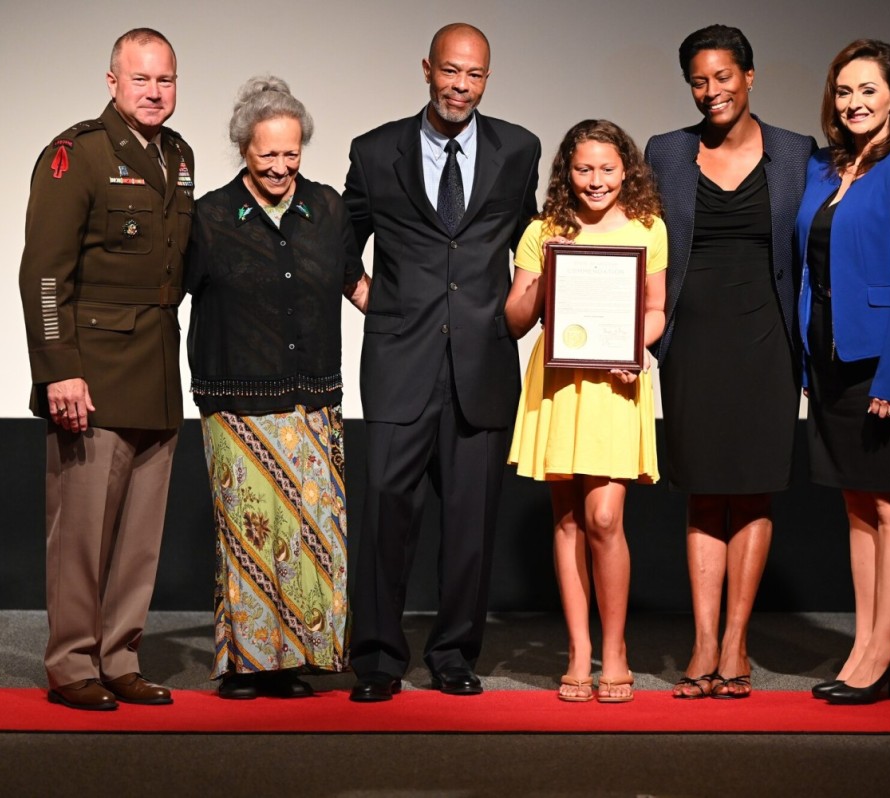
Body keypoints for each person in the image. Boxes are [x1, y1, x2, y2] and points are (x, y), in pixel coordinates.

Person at [342, 22, 541, 702]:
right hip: (400, 363)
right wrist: (372, 300)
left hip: (482, 366)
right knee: (385, 517)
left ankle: (454, 654)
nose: (461, 86)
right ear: (428, 68)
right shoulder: (375, 151)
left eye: (474, 74)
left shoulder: (518, 149)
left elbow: (530, 243)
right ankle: (376, 659)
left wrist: (533, 307)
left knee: (470, 525)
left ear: (487, 78)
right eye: (451, 71)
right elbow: (341, 242)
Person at [18, 28, 194, 711]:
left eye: (165, 79)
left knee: (140, 540)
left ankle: (120, 658)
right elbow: (44, 274)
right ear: (113, 81)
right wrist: (58, 369)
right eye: (140, 78)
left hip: (156, 370)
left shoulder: (178, 156)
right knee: (81, 536)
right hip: (91, 376)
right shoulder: (77, 155)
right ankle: (72, 665)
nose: (154, 92)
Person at [644, 25, 816, 699]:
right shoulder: (667, 151)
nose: (711, 90)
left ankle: (737, 641)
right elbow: (638, 238)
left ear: (749, 76)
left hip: (768, 341)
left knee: (752, 490)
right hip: (692, 342)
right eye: (698, 80)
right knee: (704, 490)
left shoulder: (796, 152)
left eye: (723, 76)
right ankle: (704, 643)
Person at [184, 77, 369, 700]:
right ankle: (246, 664)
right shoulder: (211, 216)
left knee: (309, 537)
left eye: (292, 153)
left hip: (312, 399)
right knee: (252, 536)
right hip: (237, 402)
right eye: (268, 154)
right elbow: (170, 295)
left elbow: (356, 285)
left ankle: (293, 663)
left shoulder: (328, 209)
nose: (281, 167)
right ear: (244, 148)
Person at [796, 40, 890, 705]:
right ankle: (865, 645)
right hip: (829, 354)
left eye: (867, 90)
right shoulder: (824, 169)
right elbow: (810, 266)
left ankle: (882, 655)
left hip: (885, 358)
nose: (854, 102)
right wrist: (805, 355)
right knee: (856, 508)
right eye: (844, 90)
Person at [505, 120, 667, 703]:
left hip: (615, 385)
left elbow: (655, 309)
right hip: (559, 382)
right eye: (583, 169)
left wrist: (637, 348)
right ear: (566, 173)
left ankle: (615, 650)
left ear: (627, 170)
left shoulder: (649, 227)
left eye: (607, 169)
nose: (595, 181)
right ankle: (578, 651)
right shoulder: (542, 230)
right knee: (570, 519)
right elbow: (515, 319)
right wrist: (544, 277)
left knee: (603, 518)